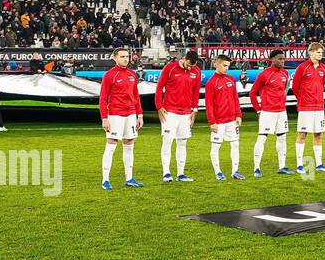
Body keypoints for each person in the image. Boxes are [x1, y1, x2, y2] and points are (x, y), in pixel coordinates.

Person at [99, 47, 144, 191]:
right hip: (115, 115)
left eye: (127, 56)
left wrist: (140, 114)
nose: (126, 59)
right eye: (123, 56)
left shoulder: (132, 74)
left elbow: (136, 96)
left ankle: (129, 178)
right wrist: (104, 118)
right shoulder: (109, 75)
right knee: (111, 145)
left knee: (129, 144)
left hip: (130, 114)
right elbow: (103, 98)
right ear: (115, 58)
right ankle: (105, 180)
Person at [155, 49, 201, 182]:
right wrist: (159, 107)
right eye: (189, 64)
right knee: (168, 140)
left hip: (186, 113)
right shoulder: (170, 68)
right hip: (170, 111)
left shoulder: (196, 71)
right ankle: (166, 172)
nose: (190, 67)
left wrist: (195, 110)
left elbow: (196, 91)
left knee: (182, 142)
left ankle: (181, 174)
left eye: (193, 65)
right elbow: (159, 87)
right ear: (184, 58)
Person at [250, 49, 293, 176]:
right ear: (272, 59)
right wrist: (258, 110)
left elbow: (285, 89)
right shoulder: (264, 74)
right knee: (262, 138)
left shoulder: (285, 73)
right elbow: (252, 93)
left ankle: (282, 167)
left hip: (281, 112)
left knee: (282, 138)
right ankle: (256, 168)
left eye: (283, 58)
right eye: (280, 58)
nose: (282, 61)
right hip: (267, 112)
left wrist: (282, 102)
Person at [205, 54, 244, 180]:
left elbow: (235, 98)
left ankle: (235, 171)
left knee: (235, 145)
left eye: (228, 66)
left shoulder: (231, 79)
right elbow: (209, 104)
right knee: (216, 146)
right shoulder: (211, 82)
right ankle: (218, 172)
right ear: (216, 64)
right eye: (224, 65)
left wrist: (238, 114)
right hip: (218, 122)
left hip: (232, 120)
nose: (226, 68)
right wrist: (212, 122)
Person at [292, 42, 325, 172]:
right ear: (311, 52)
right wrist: (303, 99)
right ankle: (299, 165)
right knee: (302, 134)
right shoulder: (302, 67)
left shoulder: (324, 68)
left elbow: (322, 85)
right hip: (305, 107)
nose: (320, 54)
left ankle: (319, 164)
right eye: (318, 52)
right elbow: (295, 87)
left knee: (318, 134)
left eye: (321, 52)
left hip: (319, 106)